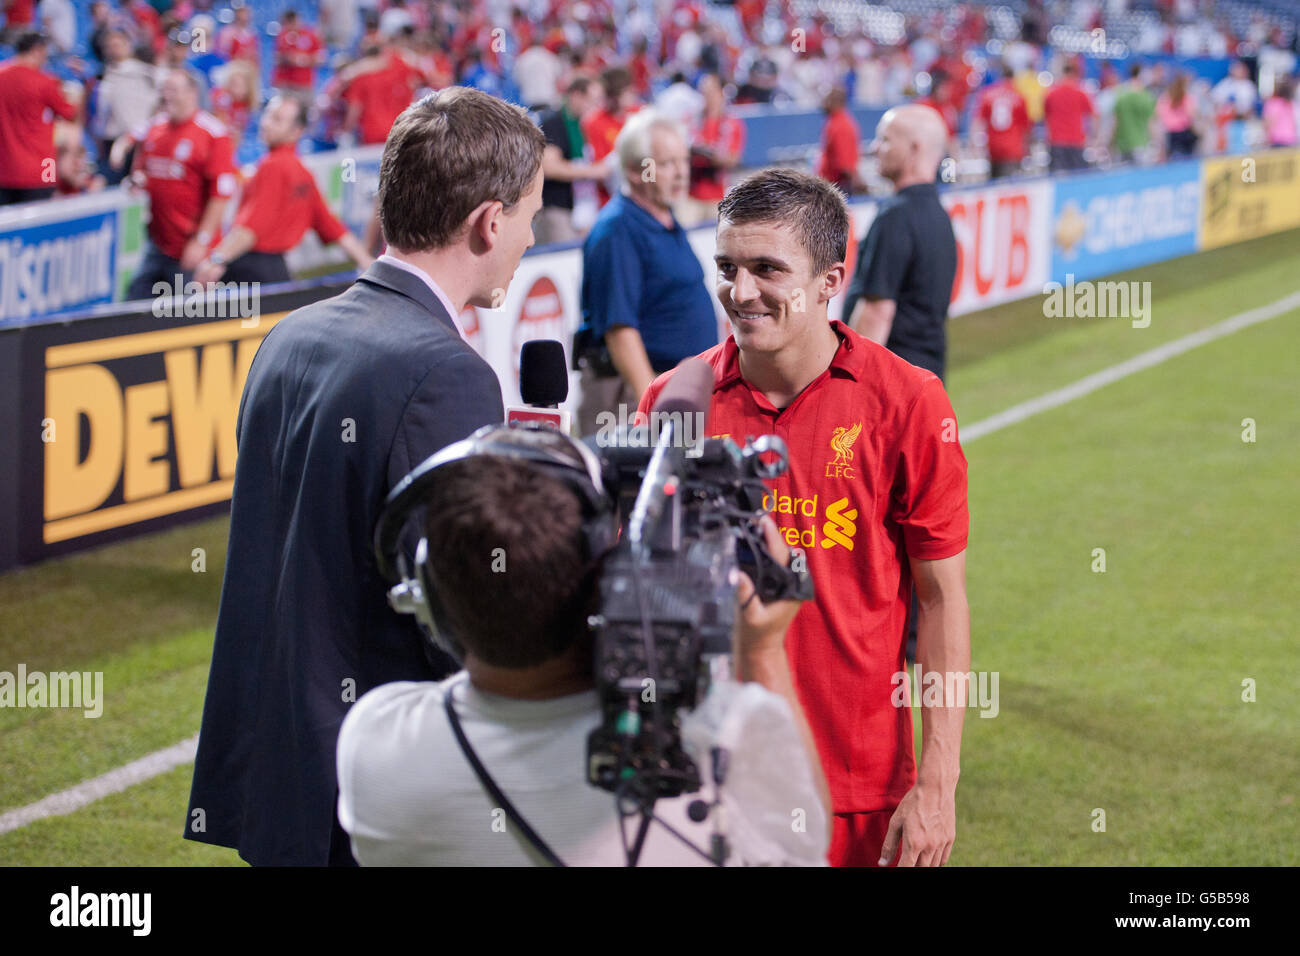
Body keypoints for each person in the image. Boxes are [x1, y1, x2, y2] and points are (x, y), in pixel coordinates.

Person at [185, 88, 546, 866]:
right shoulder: (447, 372)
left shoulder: (291, 336)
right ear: (490, 220)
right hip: (368, 795)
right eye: (529, 216)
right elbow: (455, 618)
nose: (529, 238)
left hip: (275, 772)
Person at [638, 168, 970, 868]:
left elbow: (941, 598)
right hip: (710, 783)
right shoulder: (674, 405)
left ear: (830, 280)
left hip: (861, 787)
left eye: (767, 269)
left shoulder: (909, 403)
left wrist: (937, 781)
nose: (740, 290)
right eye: (726, 266)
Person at [335, 434, 831, 866]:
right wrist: (763, 649)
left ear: (432, 601)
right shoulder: (729, 735)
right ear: (607, 583)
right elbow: (809, 841)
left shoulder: (373, 741)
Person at [574, 109, 718, 436]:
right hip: (631, 400)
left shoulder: (662, 218)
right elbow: (620, 330)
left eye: (683, 161)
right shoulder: (617, 231)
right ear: (634, 172)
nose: (681, 173)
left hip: (673, 394)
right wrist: (650, 409)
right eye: (666, 164)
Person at [193, 95, 373, 287]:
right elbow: (334, 228)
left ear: (297, 131)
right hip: (277, 273)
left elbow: (250, 228)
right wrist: (368, 264)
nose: (266, 123)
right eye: (268, 115)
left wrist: (217, 259)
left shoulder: (273, 166)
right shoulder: (302, 172)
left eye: (277, 119)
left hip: (249, 271)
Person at [120, 69, 238, 299]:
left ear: (192, 93)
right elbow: (143, 170)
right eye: (164, 90)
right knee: (134, 306)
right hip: (158, 244)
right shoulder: (155, 128)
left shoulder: (213, 134)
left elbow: (221, 194)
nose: (167, 96)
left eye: (173, 90)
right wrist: (137, 181)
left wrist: (201, 241)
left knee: (187, 317)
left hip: (192, 248)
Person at [0, 31, 78, 205]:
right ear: (38, 50)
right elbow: (70, 113)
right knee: (40, 227)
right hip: (42, 169)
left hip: (4, 170)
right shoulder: (45, 81)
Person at [536, 76, 609, 246]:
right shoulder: (554, 122)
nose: (595, 106)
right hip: (559, 207)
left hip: (584, 204)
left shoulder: (586, 125)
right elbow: (549, 167)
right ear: (576, 95)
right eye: (592, 100)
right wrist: (593, 171)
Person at [93, 28, 156, 185]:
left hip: (139, 140)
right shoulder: (102, 77)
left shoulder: (146, 73)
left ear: (128, 44)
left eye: (118, 43)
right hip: (112, 140)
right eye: (110, 45)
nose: (114, 48)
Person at [687, 72, 746, 224]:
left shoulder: (731, 123)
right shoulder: (692, 119)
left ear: (721, 92)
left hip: (717, 196)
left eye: (711, 91)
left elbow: (733, 159)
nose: (707, 96)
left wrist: (709, 155)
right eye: (704, 92)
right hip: (691, 196)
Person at [976, 64, 1031, 179]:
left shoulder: (988, 94)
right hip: (1013, 148)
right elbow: (1026, 127)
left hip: (993, 148)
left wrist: (977, 145)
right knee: (1008, 188)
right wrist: (1027, 149)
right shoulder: (1018, 96)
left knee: (994, 187)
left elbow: (978, 122)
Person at [1043, 61, 1095, 172]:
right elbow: (1093, 115)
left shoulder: (1052, 93)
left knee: (1057, 178)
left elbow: (1045, 115)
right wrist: (1091, 137)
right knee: (1076, 180)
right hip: (1076, 141)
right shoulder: (1081, 92)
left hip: (1057, 141)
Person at [816, 87, 860, 193]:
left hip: (837, 186)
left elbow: (845, 165)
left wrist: (857, 183)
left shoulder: (840, 125)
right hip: (832, 184)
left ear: (836, 101)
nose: (822, 103)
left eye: (826, 100)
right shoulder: (834, 121)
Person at [272, 9, 324, 96]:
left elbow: (320, 58)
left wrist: (305, 59)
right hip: (285, 83)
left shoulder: (311, 35)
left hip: (304, 83)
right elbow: (277, 58)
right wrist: (290, 59)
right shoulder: (283, 36)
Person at [1110, 63, 1156, 164]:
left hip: (1121, 144)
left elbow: (1114, 121)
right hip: (1140, 144)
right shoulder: (1146, 97)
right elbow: (1151, 123)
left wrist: (1111, 142)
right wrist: (1157, 145)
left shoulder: (1120, 92)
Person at [1157, 73, 1198, 158]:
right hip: (1184, 132)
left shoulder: (1164, 98)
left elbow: (1159, 115)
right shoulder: (1186, 98)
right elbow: (1191, 115)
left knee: (1173, 162)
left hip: (1171, 134)